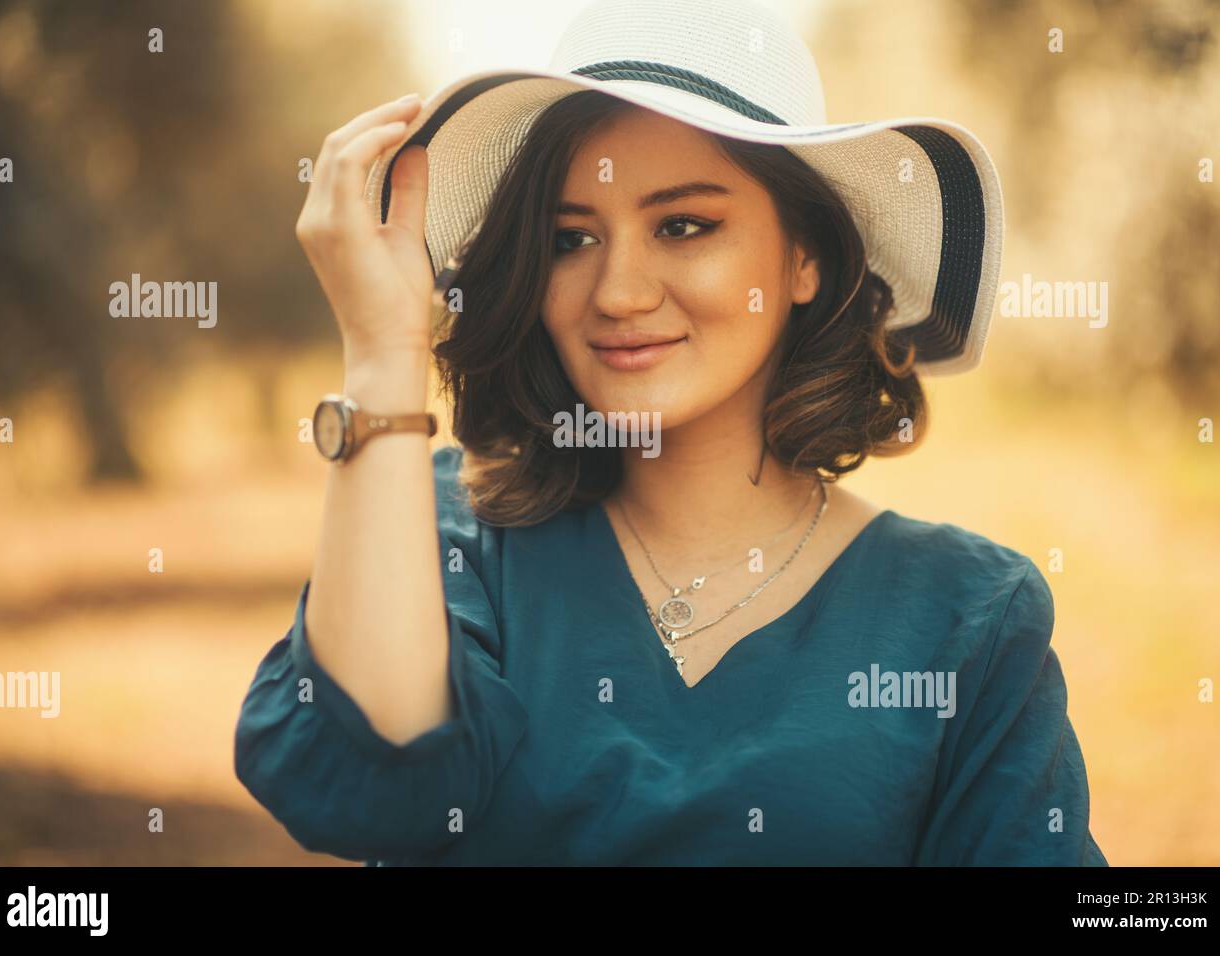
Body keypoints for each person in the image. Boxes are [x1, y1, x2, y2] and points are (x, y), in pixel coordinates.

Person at [234, 0, 1107, 866]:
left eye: (683, 226)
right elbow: (371, 789)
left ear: (805, 257)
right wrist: (383, 349)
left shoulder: (967, 617)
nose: (617, 291)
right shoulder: (449, 534)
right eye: (571, 238)